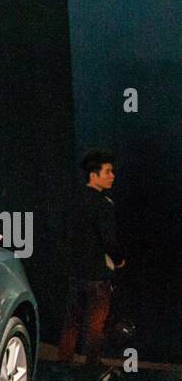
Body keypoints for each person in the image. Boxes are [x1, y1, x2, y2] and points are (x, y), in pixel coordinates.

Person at [59, 149, 125, 364]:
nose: (112, 175)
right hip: (97, 273)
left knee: (72, 321)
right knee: (96, 323)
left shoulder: (73, 200)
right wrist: (119, 260)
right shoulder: (104, 204)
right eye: (107, 171)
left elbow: (64, 235)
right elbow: (109, 240)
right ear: (93, 175)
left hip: (75, 272)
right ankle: (92, 365)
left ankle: (64, 362)